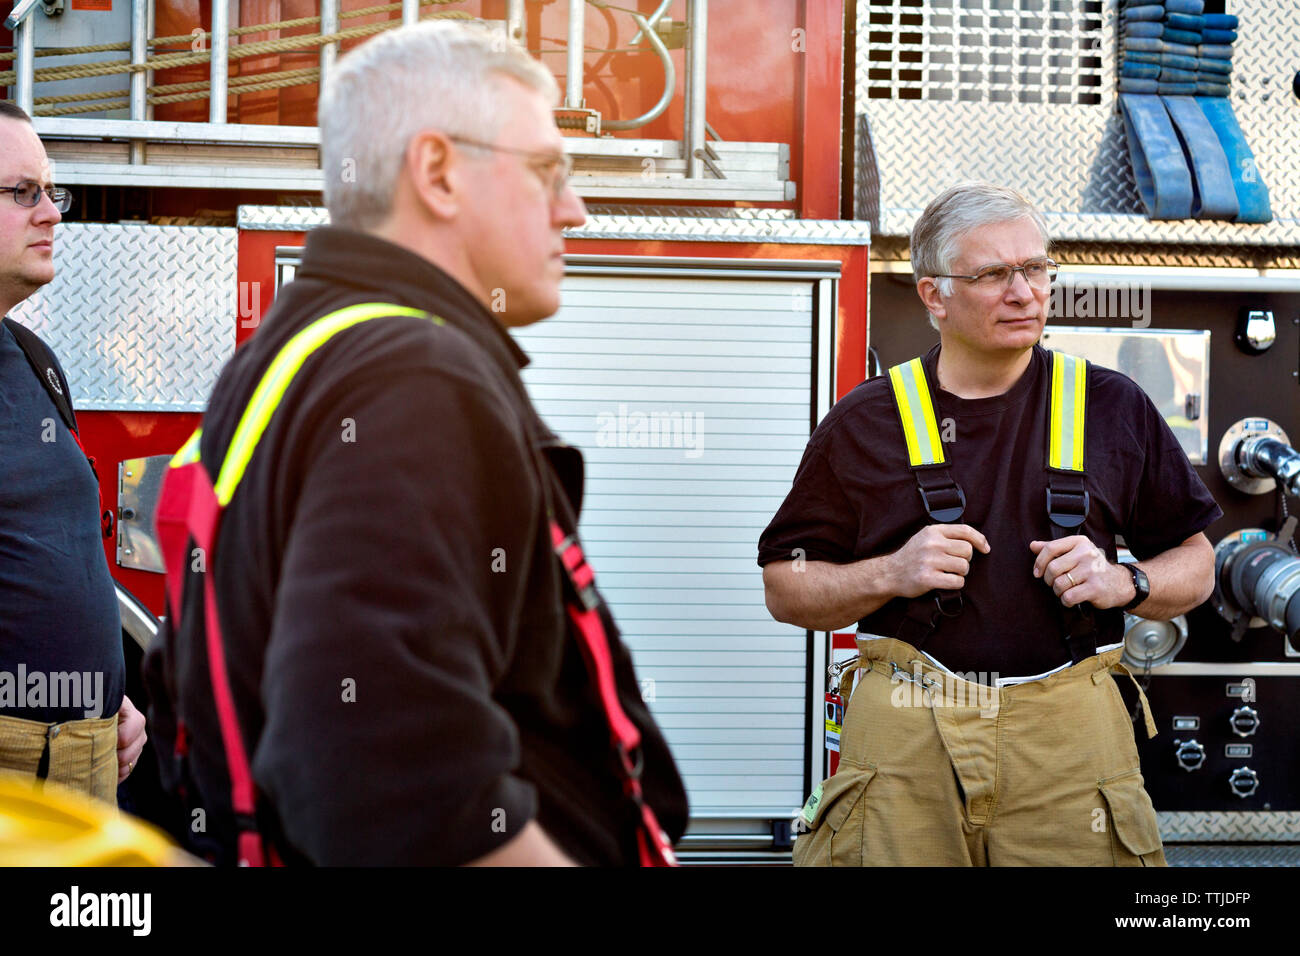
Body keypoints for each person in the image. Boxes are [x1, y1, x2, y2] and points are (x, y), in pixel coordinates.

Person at [144, 21, 687, 866]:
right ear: (436, 172)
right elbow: (383, 771)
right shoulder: (415, 379)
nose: (575, 209)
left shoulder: (297, 356)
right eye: (549, 170)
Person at [761, 181, 1220, 866]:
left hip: (1069, 741)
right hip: (907, 741)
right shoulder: (865, 422)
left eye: (1036, 268)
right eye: (993, 274)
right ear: (933, 295)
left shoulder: (1113, 406)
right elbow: (785, 586)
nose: (1025, 292)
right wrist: (891, 570)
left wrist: (1125, 580)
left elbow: (1198, 560)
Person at [0, 102, 146, 804]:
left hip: (85, 758)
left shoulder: (35, 359)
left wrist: (108, 697)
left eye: (50, 192)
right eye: (22, 193)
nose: (52, 214)